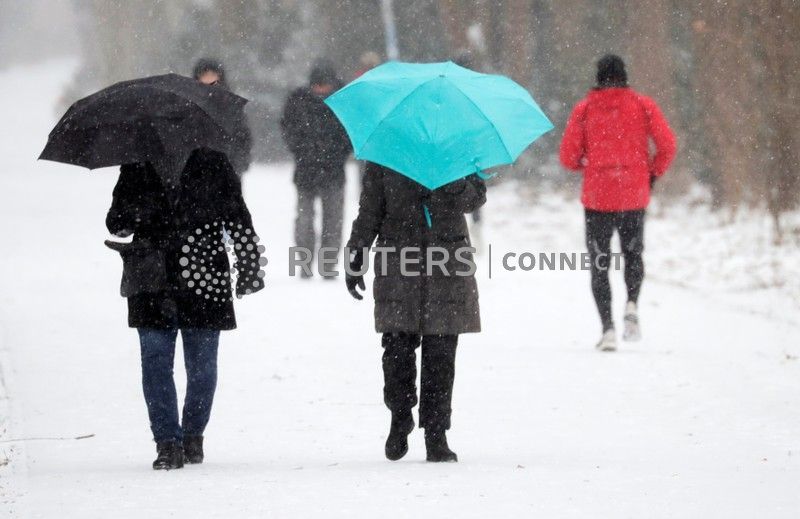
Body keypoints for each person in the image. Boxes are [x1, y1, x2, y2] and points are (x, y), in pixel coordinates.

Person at [105, 69, 264, 470]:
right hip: (151, 275)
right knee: (156, 360)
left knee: (201, 364)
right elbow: (115, 219)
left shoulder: (213, 163)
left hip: (203, 271)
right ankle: (167, 443)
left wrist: (248, 266)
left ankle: (192, 435)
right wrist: (131, 216)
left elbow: (238, 218)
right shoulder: (136, 165)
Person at [345, 163, 486, 462]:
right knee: (396, 346)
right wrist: (357, 252)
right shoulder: (387, 151)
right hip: (398, 257)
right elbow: (370, 208)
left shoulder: (458, 149)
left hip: (447, 259)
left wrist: (453, 179)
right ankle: (400, 416)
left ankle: (436, 434)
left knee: (441, 352)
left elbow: (474, 200)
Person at [559, 54, 676, 352]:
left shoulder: (584, 109)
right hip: (634, 194)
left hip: (598, 196)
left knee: (600, 264)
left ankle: (608, 328)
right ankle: (633, 305)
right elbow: (667, 145)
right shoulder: (642, 105)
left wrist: (588, 162)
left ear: (598, 77)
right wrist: (652, 173)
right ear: (625, 75)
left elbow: (568, 157)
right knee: (633, 255)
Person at [280, 58, 352, 278]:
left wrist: (337, 153)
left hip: (333, 171)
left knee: (333, 221)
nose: (320, 90)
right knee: (304, 221)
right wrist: (302, 149)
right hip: (306, 171)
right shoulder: (298, 100)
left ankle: (328, 266)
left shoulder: (344, 101)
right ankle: (305, 265)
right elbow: (288, 128)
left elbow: (349, 135)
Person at [192, 58, 252, 174]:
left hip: (226, 171)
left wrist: (238, 165)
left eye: (212, 75)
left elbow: (242, 137)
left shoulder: (231, 104)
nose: (209, 78)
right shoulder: (187, 104)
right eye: (205, 74)